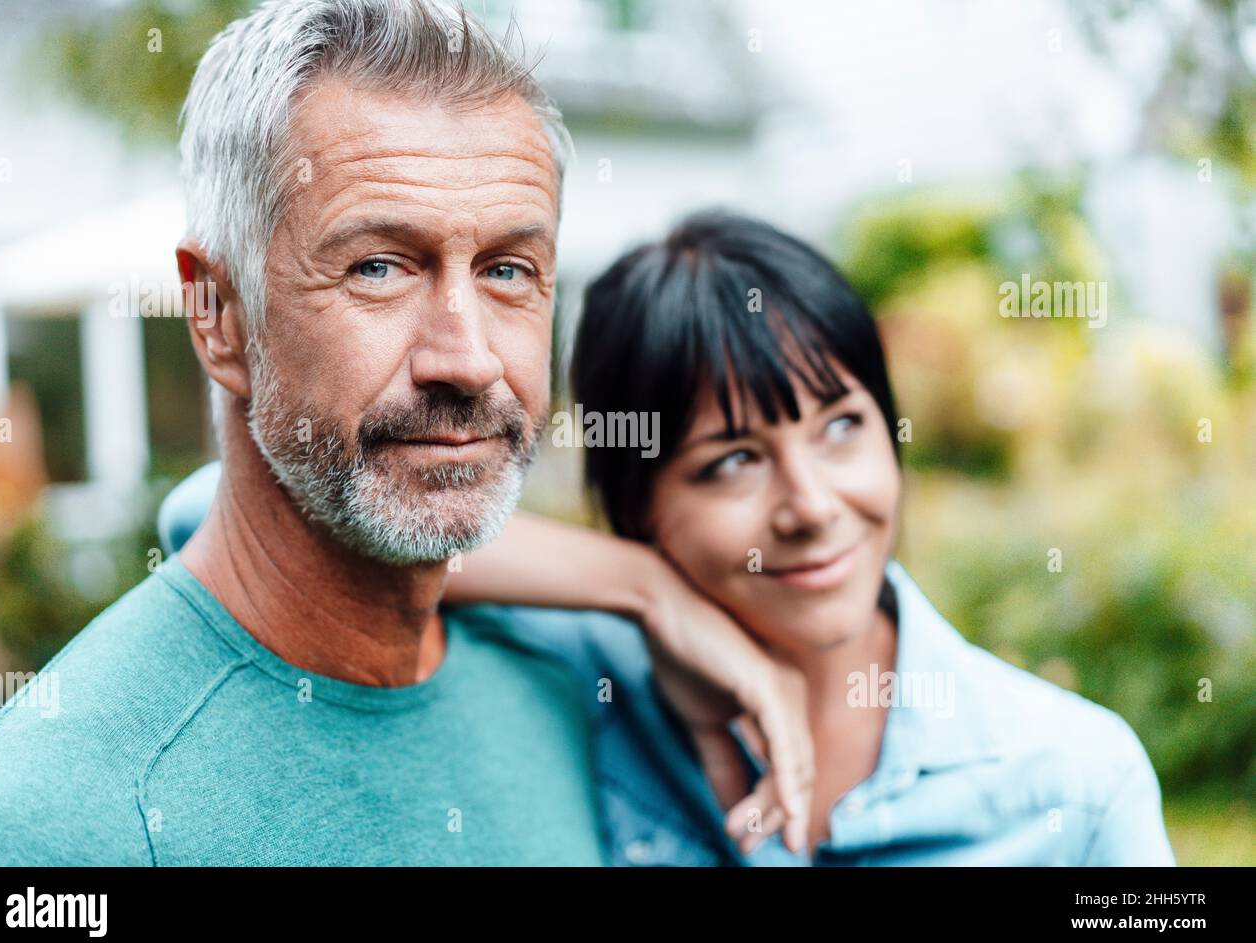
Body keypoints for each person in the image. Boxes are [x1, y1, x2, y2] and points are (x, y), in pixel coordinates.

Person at [0, 1, 812, 866]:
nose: (468, 358)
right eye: (378, 266)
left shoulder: (567, 693)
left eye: (507, 270)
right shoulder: (57, 824)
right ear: (216, 315)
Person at [160, 211, 1177, 865]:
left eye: (840, 427)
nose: (811, 504)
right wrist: (650, 594)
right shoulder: (583, 676)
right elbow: (217, 514)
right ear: (638, 507)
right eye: (731, 460)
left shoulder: (1069, 782)